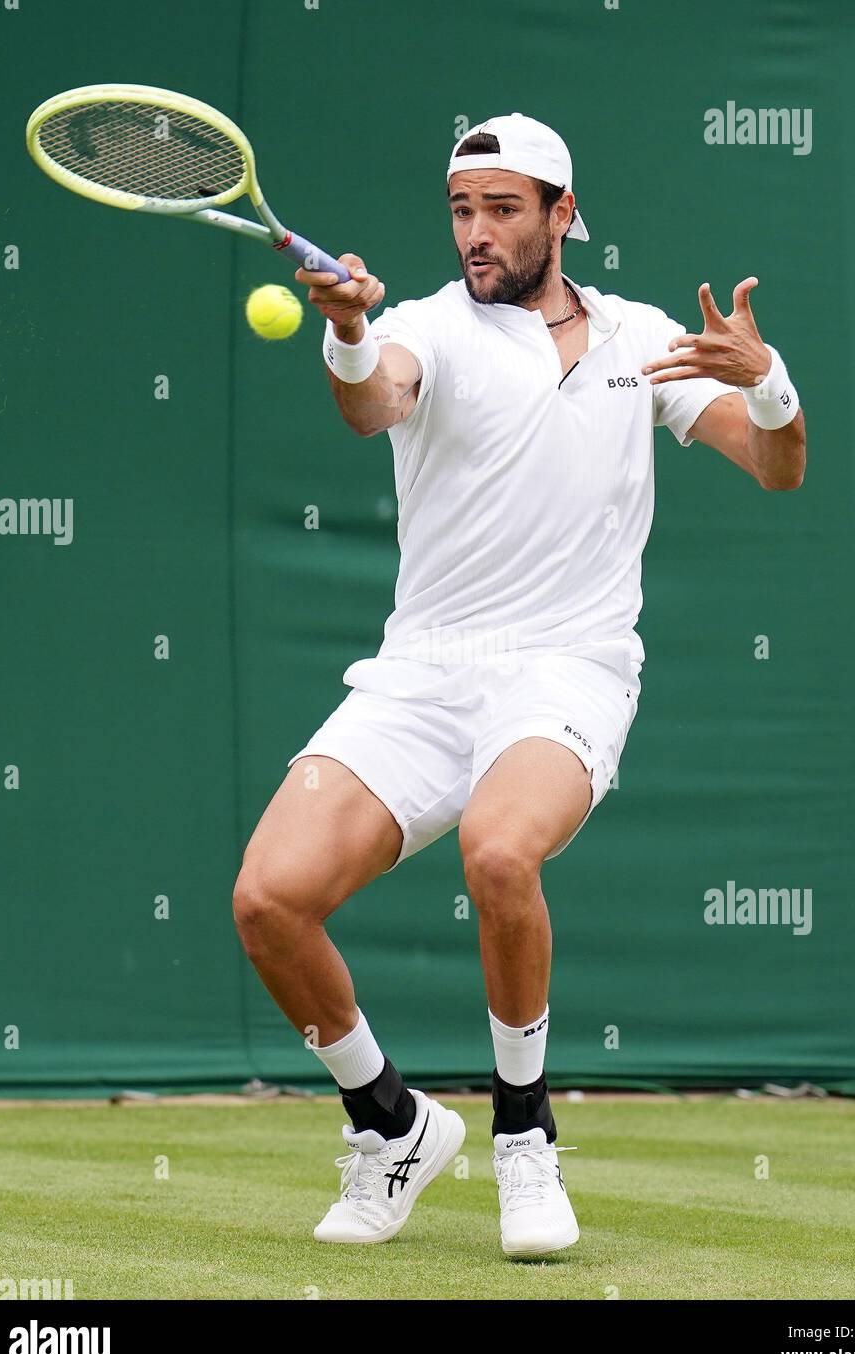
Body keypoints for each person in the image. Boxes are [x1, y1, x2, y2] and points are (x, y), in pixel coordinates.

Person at [232, 113, 806, 1257]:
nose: (477, 232)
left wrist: (772, 381)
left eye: (502, 209)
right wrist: (345, 333)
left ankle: (523, 1137)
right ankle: (389, 1123)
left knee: (499, 851)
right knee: (266, 899)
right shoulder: (425, 329)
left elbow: (774, 467)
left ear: (561, 214)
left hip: (571, 664)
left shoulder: (640, 335)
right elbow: (373, 398)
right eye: (460, 210)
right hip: (421, 671)